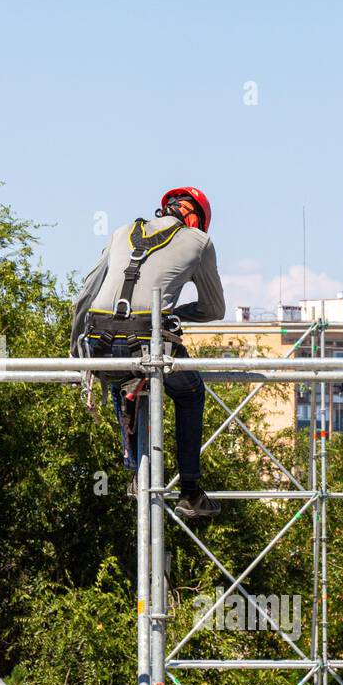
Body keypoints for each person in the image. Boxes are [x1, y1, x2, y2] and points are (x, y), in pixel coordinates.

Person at [70, 186, 225, 521]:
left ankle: (137, 470)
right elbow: (215, 308)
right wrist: (174, 313)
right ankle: (190, 492)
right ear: (195, 219)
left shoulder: (121, 232)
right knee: (189, 391)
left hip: (98, 342)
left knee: (124, 374)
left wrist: (77, 358)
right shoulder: (198, 242)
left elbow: (84, 295)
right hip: (146, 342)